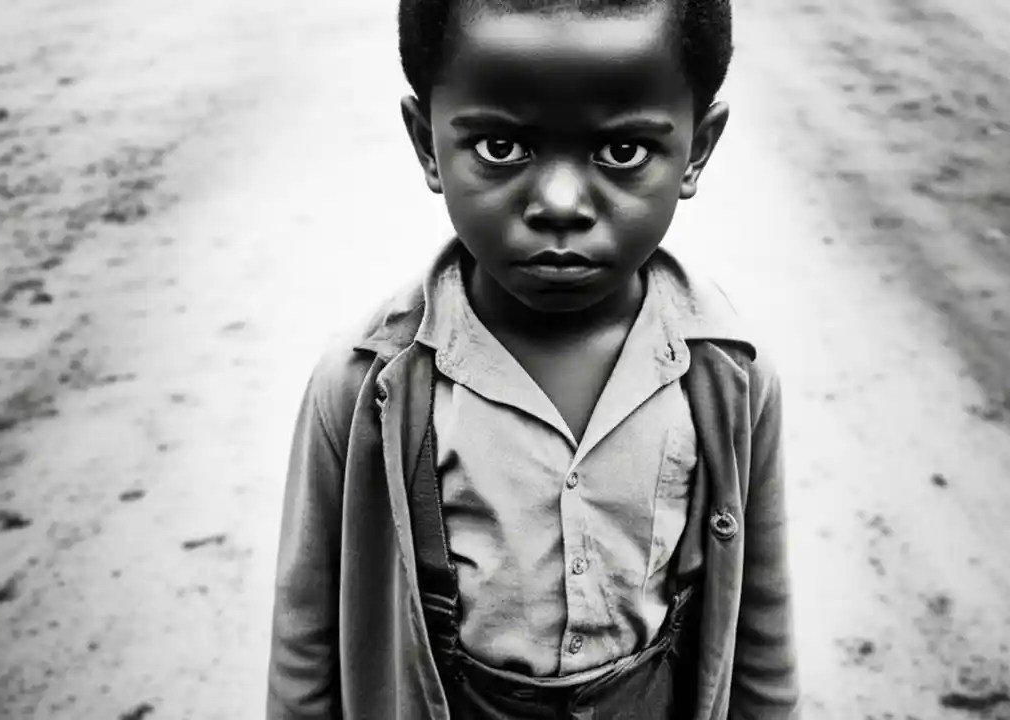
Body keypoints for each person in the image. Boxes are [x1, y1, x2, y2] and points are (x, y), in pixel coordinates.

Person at [266, 0, 797, 717]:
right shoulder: (367, 386)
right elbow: (306, 635)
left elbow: (759, 621)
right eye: (499, 147)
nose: (558, 203)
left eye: (622, 151)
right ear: (427, 142)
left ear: (697, 148)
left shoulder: (727, 378)